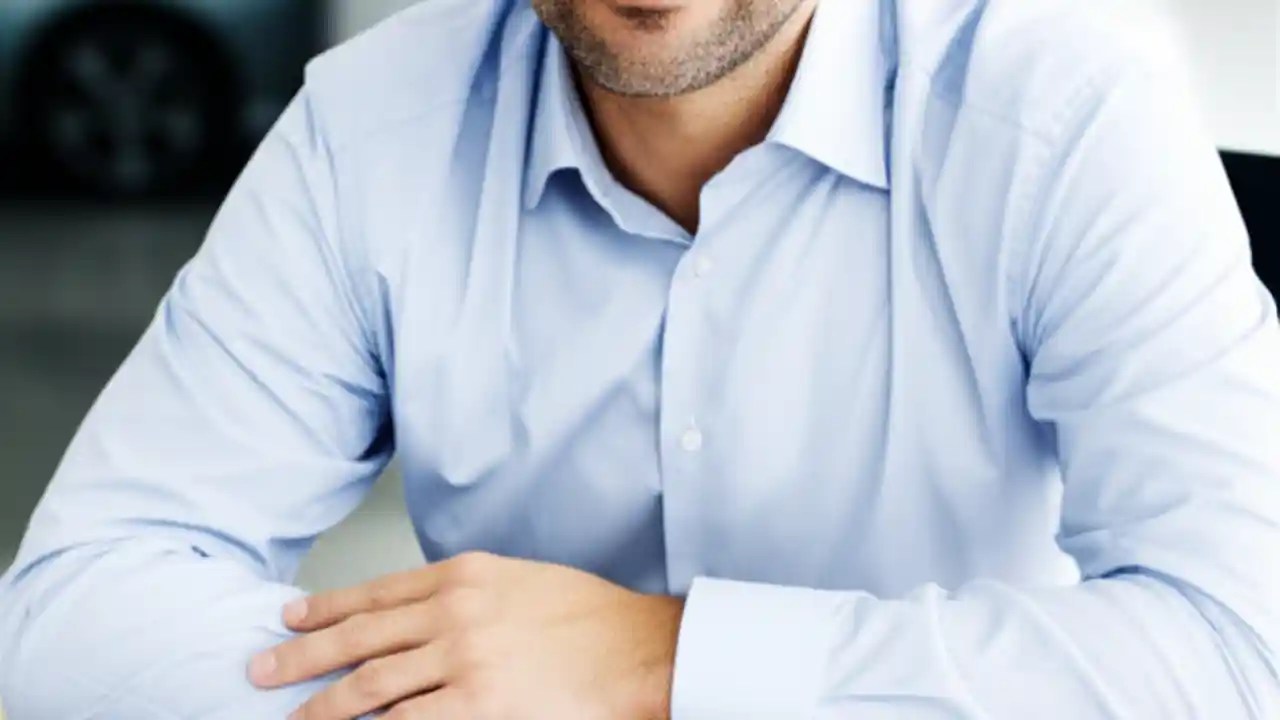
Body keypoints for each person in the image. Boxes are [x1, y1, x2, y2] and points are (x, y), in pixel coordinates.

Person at [1, 0, 1277, 717]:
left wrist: (664, 663)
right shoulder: (369, 124)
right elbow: (66, 616)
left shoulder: (1065, 104)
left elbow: (1236, 651)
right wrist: (460, 689)